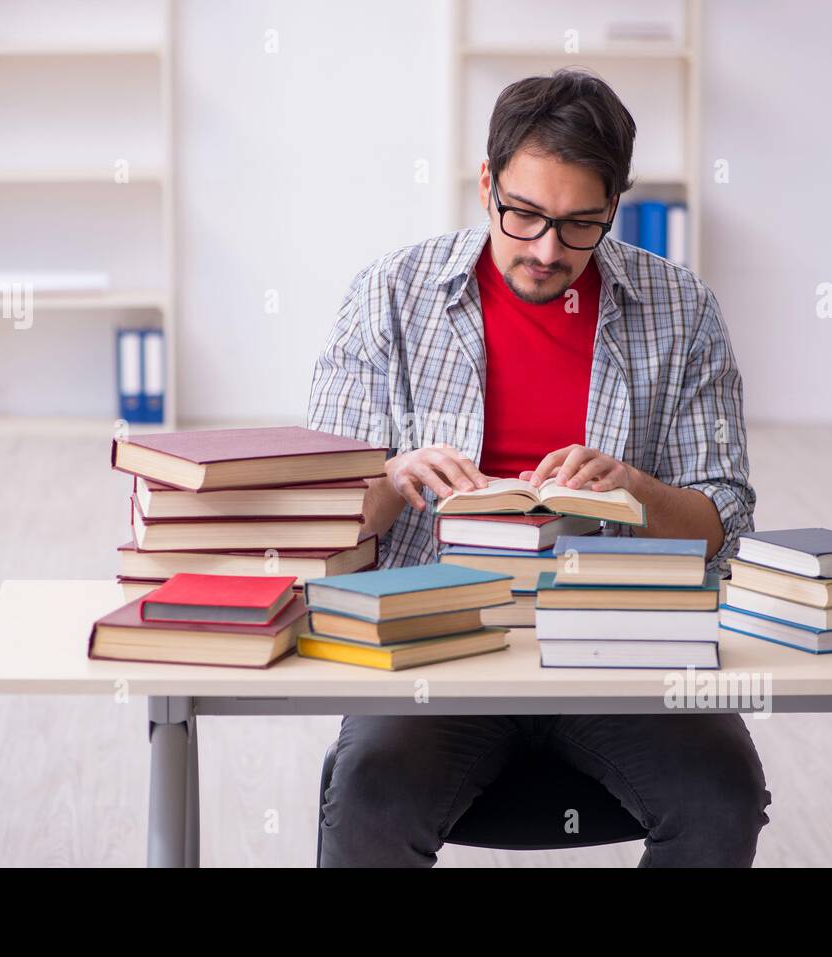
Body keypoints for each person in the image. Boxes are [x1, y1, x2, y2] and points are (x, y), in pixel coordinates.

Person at [307, 68, 770, 867]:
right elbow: (317, 515)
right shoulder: (390, 294)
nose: (547, 250)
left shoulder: (683, 308)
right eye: (523, 215)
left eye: (580, 223)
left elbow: (722, 523)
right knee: (370, 798)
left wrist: (637, 490)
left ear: (614, 208)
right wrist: (390, 478)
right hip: (440, 642)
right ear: (486, 184)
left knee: (722, 794)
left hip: (623, 642)